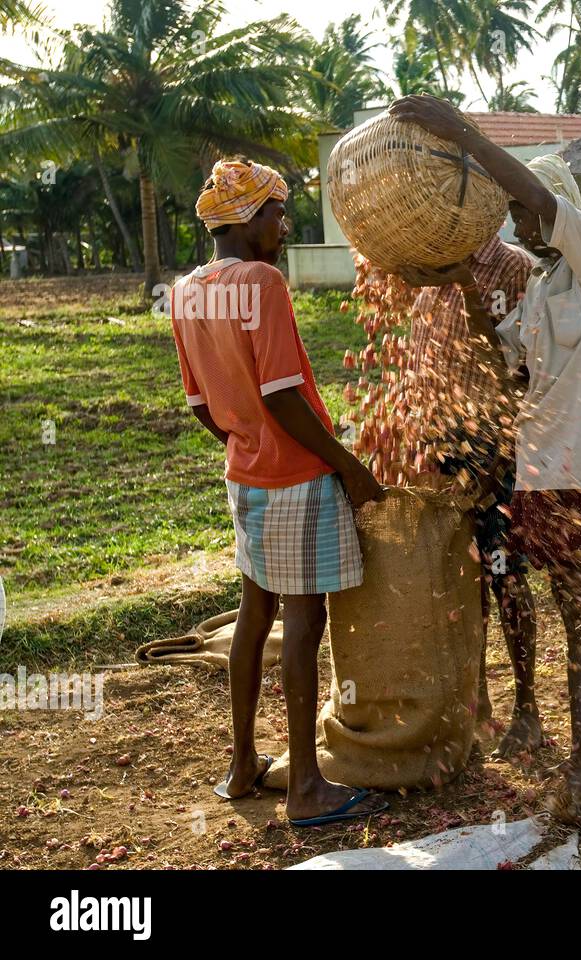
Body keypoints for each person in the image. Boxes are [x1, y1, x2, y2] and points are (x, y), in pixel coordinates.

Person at [389, 95, 581, 825]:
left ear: (557, 208)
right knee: (566, 606)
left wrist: (458, 131)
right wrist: (454, 282)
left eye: (525, 216)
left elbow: (533, 194)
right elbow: (506, 370)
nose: (520, 228)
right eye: (515, 222)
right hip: (539, 475)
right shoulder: (543, 288)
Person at [172, 158, 388, 827]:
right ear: (251, 217)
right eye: (278, 211)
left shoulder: (187, 290)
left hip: (246, 478)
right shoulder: (261, 281)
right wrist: (349, 467)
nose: (285, 225)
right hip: (297, 477)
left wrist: (245, 445)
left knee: (253, 615)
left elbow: (201, 404)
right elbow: (284, 395)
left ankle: (241, 766)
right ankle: (305, 789)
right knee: (303, 624)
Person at [396, 237, 537, 749]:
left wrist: (502, 446)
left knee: (506, 574)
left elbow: (518, 364)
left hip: (496, 445)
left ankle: (528, 709)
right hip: (442, 445)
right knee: (463, 576)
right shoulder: (429, 272)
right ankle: (477, 704)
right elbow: (421, 364)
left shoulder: (511, 267)